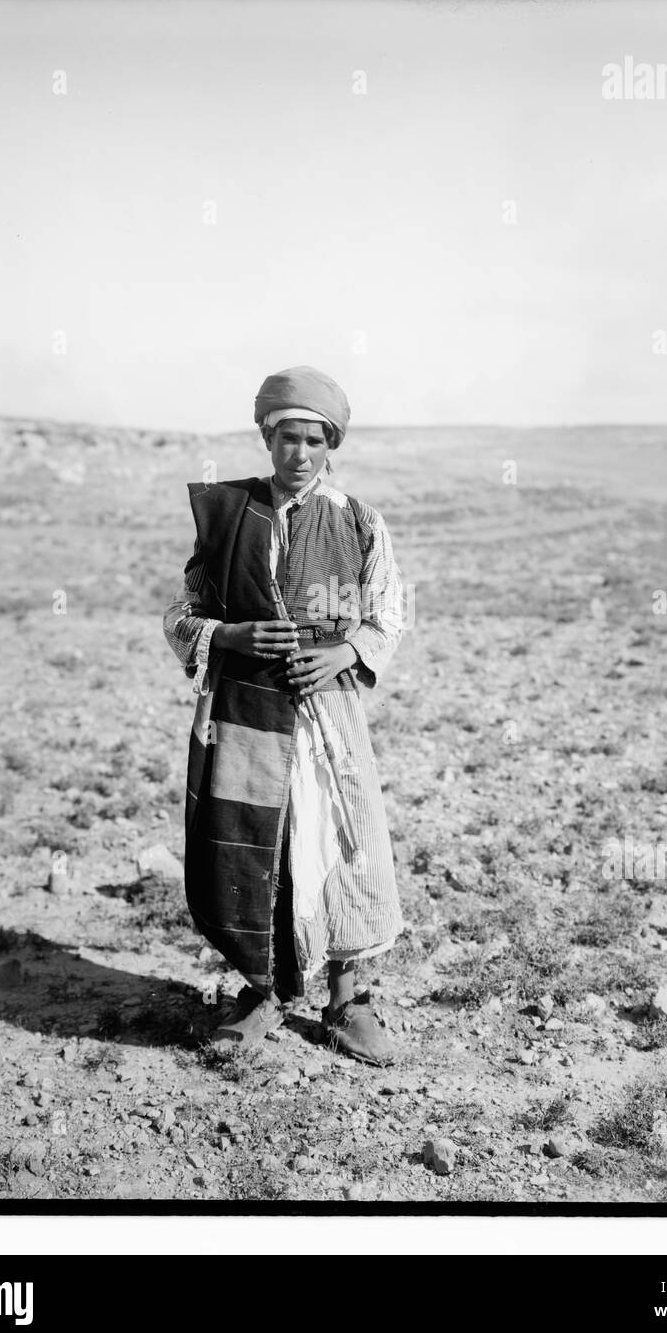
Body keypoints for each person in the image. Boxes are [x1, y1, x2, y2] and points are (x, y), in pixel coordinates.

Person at [163, 365, 405, 1065]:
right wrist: (229, 637)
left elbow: (389, 613)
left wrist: (344, 654)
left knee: (338, 843)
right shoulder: (227, 514)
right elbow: (181, 614)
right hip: (244, 716)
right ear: (266, 437)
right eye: (285, 437)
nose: (298, 454)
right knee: (253, 840)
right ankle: (262, 991)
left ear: (331, 444)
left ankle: (346, 999)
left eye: (312, 439)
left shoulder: (358, 520)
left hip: (328, 719)